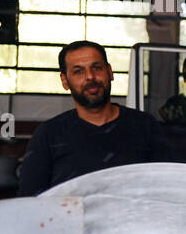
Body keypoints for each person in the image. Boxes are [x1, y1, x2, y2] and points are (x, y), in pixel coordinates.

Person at [18, 40, 170, 196]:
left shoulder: (144, 126)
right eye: (79, 71)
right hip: (74, 220)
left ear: (110, 72)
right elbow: (29, 201)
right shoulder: (49, 135)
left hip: (132, 219)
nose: (90, 77)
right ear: (65, 81)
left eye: (97, 68)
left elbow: (168, 188)